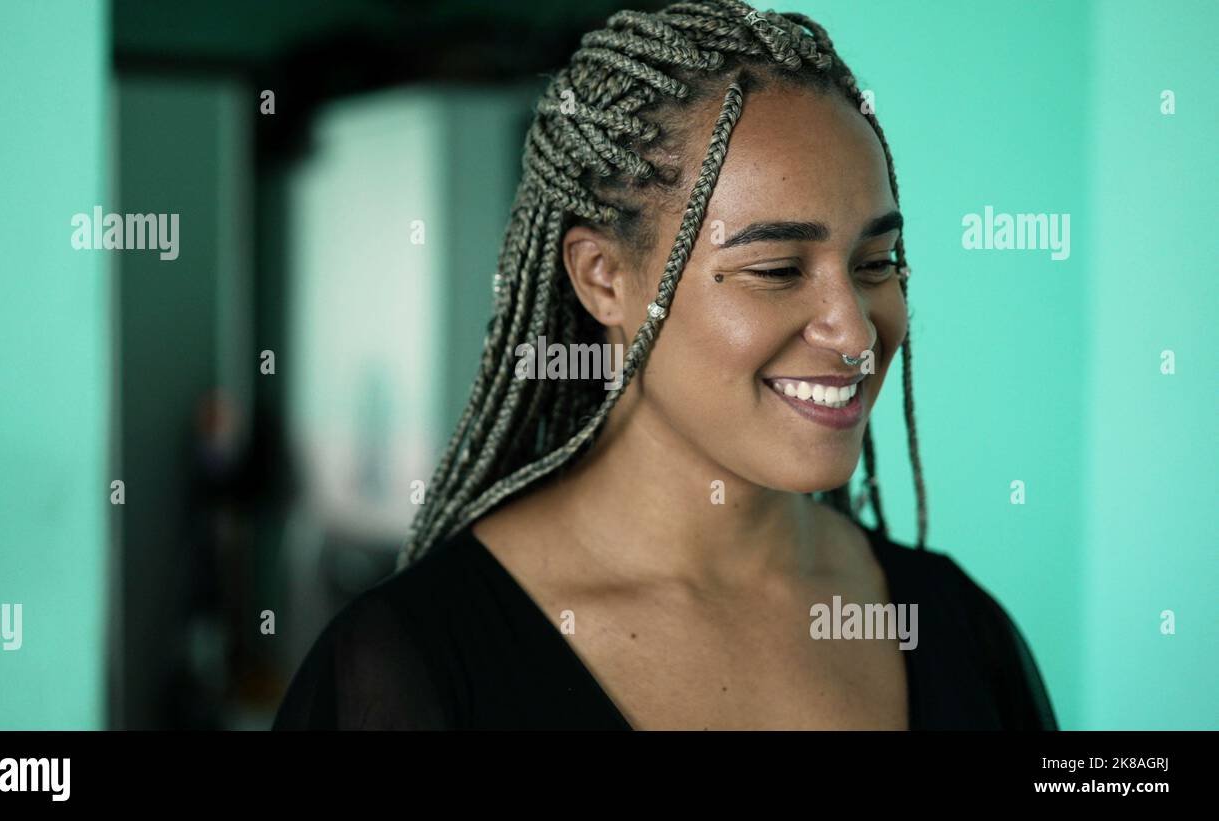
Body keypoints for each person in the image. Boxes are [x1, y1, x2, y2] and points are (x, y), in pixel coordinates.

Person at [274, 0, 1059, 730]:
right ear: (603, 278)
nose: (854, 330)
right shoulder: (410, 667)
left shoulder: (953, 624)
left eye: (877, 262)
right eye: (779, 269)